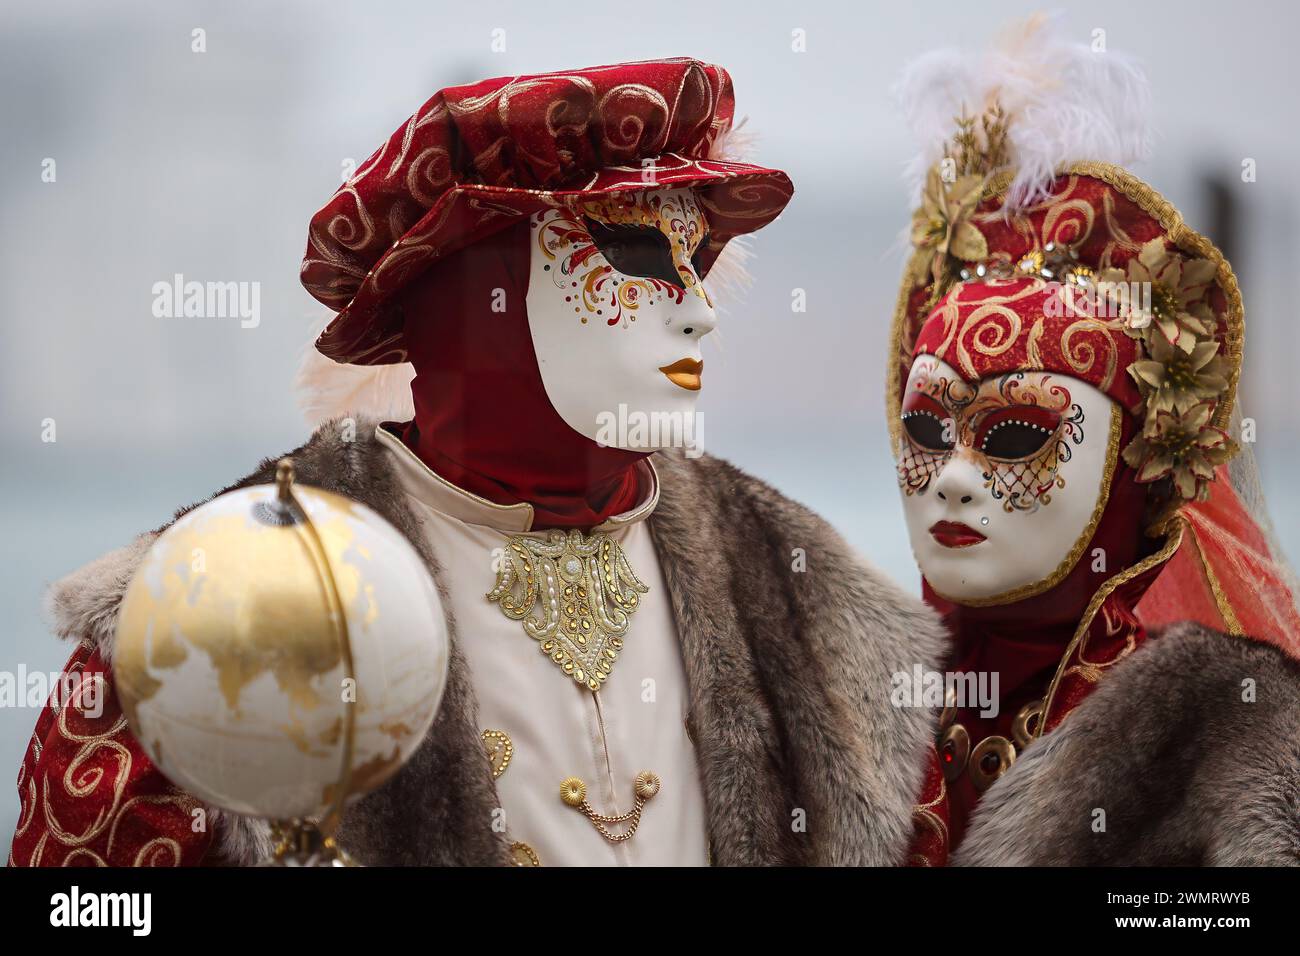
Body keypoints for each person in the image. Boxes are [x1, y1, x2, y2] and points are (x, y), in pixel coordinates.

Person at [10, 58, 946, 867]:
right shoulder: (215, 602)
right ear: (478, 285)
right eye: (636, 255)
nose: (699, 307)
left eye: (698, 260)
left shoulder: (809, 588)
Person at [889, 19, 1300, 865]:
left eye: (1014, 434)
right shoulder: (840, 714)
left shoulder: (1232, 743)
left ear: (1128, 467)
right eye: (928, 428)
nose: (954, 480)